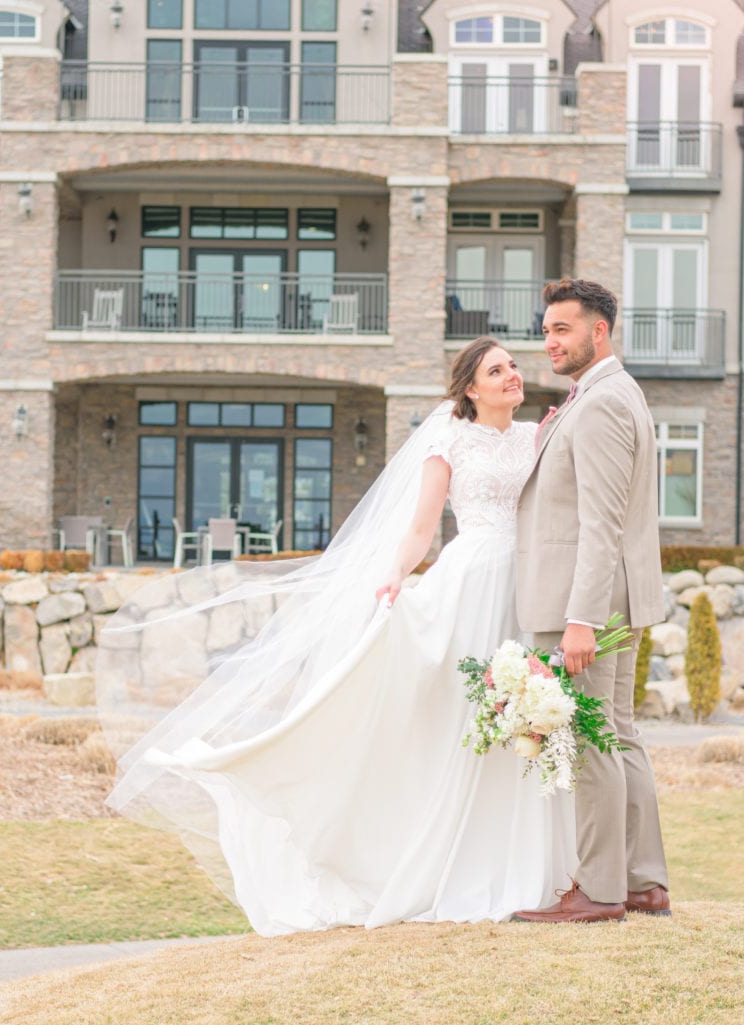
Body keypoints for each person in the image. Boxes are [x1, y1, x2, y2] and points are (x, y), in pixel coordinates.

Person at [98, 337, 575, 936]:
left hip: (526, 587)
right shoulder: (447, 438)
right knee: (461, 720)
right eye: (496, 370)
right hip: (472, 581)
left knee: (522, 719)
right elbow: (421, 528)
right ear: (471, 389)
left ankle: (522, 867)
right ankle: (437, 858)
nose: (513, 375)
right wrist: (395, 579)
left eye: (513, 367)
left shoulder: (538, 435)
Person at [512, 278, 671, 925]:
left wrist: (581, 620)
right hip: (613, 600)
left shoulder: (603, 403)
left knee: (591, 737)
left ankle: (600, 890)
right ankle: (642, 882)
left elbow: (601, 524)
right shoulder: (604, 394)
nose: (550, 341)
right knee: (620, 735)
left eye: (563, 329)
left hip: (592, 606)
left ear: (598, 332)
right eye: (547, 329)